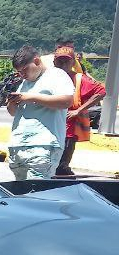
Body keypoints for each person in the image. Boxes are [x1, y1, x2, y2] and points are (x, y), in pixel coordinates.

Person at [6, 45, 75, 180]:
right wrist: (12, 102)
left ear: (37, 61)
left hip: (43, 145)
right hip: (18, 145)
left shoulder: (56, 75)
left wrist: (30, 97)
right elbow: (13, 112)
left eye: (25, 70)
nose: (23, 75)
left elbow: (67, 101)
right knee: (21, 194)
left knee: (36, 193)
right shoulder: (25, 83)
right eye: (19, 72)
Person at [53, 46, 105, 176]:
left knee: (61, 164)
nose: (63, 64)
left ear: (73, 62)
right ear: (54, 62)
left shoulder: (79, 79)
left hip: (68, 129)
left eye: (67, 61)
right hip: (50, 128)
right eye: (60, 61)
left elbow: (101, 92)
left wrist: (78, 110)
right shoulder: (48, 77)